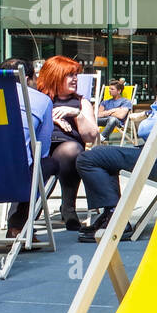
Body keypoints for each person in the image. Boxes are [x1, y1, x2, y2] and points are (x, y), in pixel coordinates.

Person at [75, 81, 157, 243]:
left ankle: (115, 219)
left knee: (89, 159)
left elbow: (144, 129)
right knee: (98, 156)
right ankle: (112, 215)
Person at [0, 58, 55, 241]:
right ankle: (18, 226)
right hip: (16, 177)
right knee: (48, 163)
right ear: (28, 78)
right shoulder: (40, 100)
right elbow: (42, 149)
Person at [35, 55, 98, 230]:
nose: (75, 79)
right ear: (55, 76)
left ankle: (68, 207)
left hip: (66, 146)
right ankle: (24, 213)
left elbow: (91, 136)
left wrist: (76, 114)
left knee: (71, 151)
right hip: (40, 145)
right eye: (70, 75)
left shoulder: (81, 102)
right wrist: (51, 118)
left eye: (76, 75)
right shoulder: (38, 99)